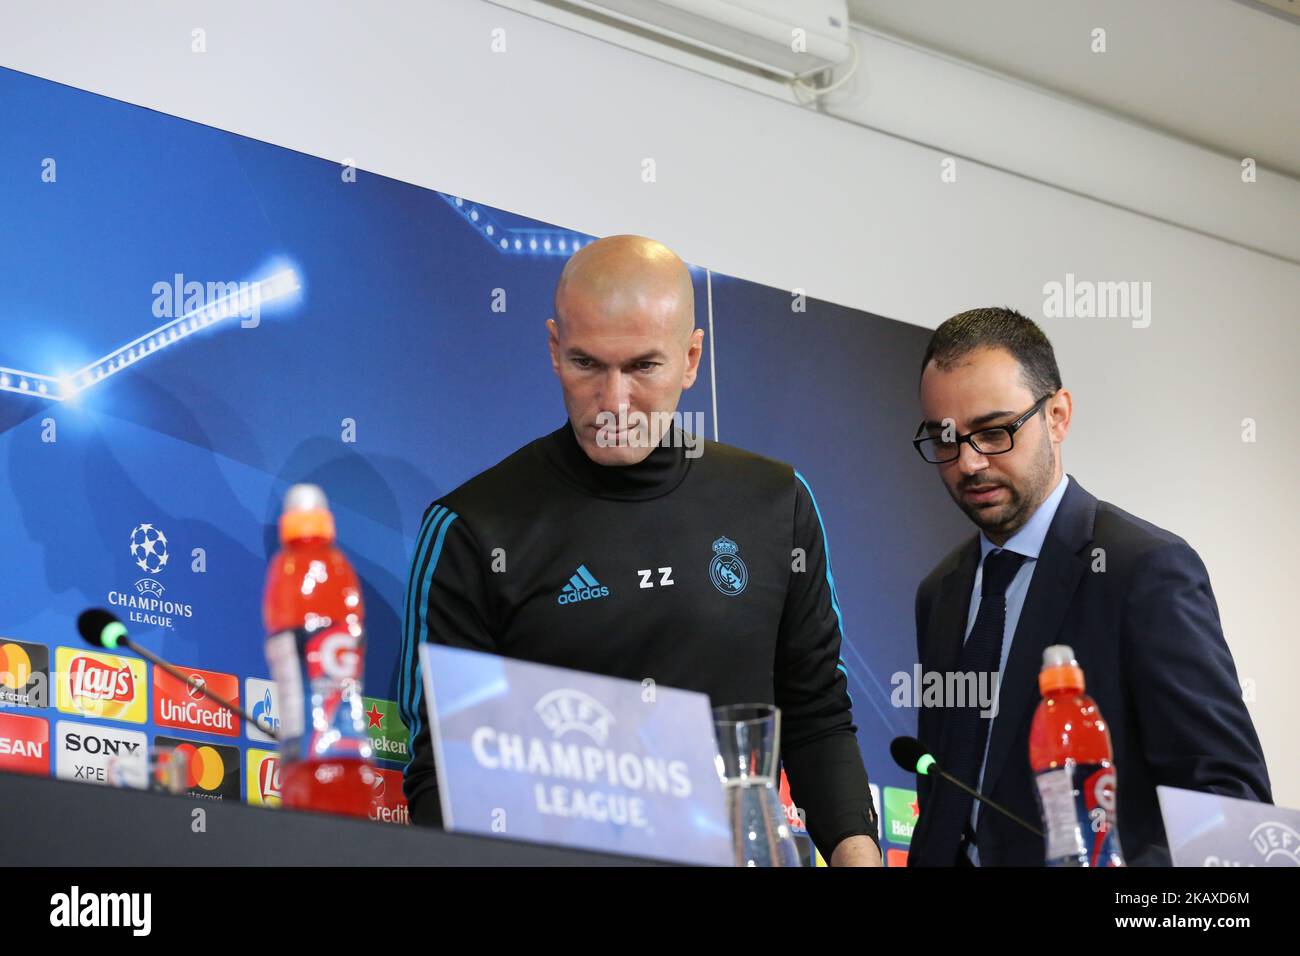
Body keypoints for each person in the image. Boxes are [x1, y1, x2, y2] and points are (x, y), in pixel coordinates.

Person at [398, 235, 881, 865]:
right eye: (586, 364)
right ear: (552, 349)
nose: (615, 401)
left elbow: (815, 714)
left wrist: (857, 853)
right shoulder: (472, 528)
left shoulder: (775, 503)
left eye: (643, 367)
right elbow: (445, 772)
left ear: (691, 357)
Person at [907, 307, 1271, 866]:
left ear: (1057, 415)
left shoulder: (1144, 570)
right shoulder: (941, 592)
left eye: (995, 431)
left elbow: (1230, 806)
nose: (969, 463)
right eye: (946, 438)